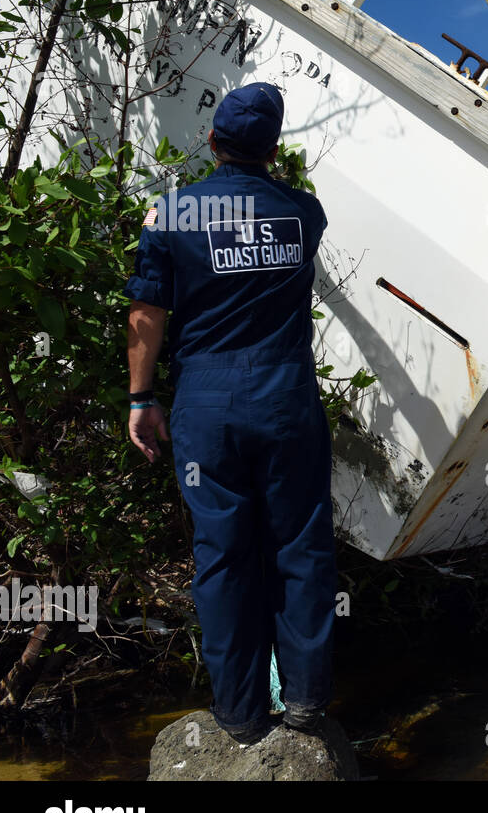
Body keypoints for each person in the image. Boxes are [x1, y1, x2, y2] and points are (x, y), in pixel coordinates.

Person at [124, 82, 335, 744]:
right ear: (275, 148)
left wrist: (140, 398)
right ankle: (303, 702)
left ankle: (240, 715)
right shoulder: (305, 213)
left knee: (221, 556)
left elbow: (146, 313)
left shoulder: (169, 215)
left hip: (206, 404)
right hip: (286, 397)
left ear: (212, 141)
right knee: (299, 546)